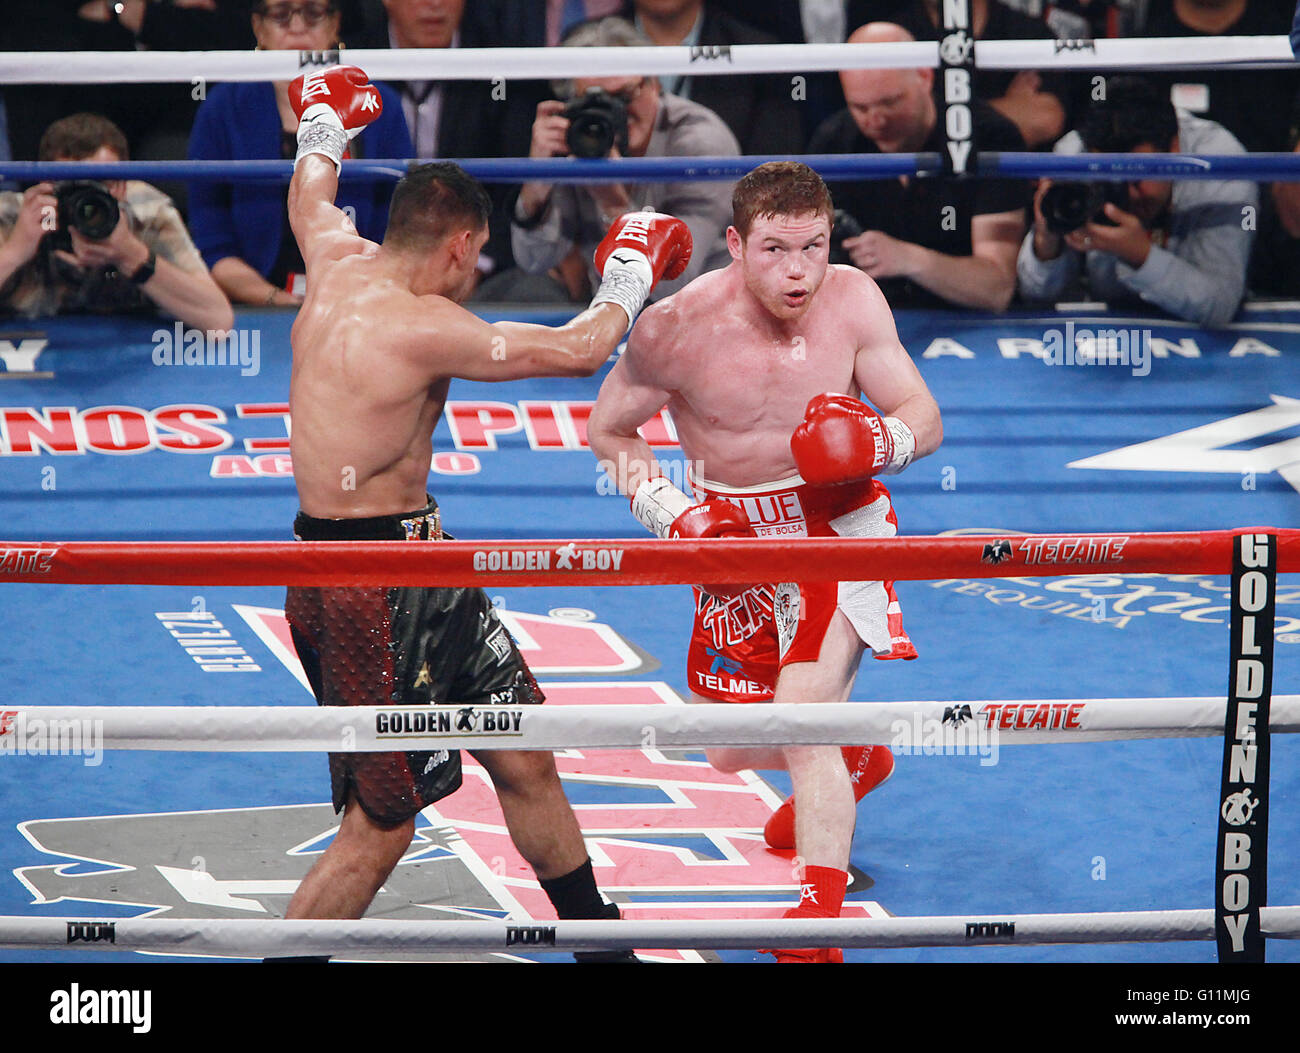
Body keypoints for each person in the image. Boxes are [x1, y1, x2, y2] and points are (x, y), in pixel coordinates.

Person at [277, 64, 692, 961]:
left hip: (420, 560)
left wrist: (324, 121)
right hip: (366, 591)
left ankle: (602, 949)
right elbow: (583, 350)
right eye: (477, 257)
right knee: (380, 828)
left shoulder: (334, 256)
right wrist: (631, 264)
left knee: (524, 748)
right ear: (462, 246)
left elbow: (309, 191)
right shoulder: (424, 324)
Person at [587, 160, 942, 963]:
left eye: (813, 247)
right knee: (730, 745)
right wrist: (675, 516)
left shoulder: (854, 299)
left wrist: (877, 440)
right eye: (776, 249)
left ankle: (817, 921)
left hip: (841, 522)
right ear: (737, 244)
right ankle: (857, 761)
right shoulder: (675, 328)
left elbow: (923, 415)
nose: (797, 271)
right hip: (732, 538)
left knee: (802, 718)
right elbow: (610, 433)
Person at [187, 2, 413, 307]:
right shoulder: (222, 108)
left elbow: (400, 230)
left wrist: (359, 299)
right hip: (254, 308)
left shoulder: (378, 103)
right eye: (280, 15)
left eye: (313, 13)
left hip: (363, 304)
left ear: (335, 25)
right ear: (258, 27)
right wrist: (273, 300)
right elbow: (212, 242)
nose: (297, 26)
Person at [512, 16, 739, 303]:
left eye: (624, 95)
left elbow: (676, 284)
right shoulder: (580, 139)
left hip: (702, 314)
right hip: (610, 313)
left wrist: (614, 205)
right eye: (597, 101)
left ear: (655, 83)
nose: (615, 112)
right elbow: (534, 260)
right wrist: (537, 182)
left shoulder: (700, 143)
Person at [809, 22, 1028, 312]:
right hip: (869, 319)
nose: (875, 120)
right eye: (860, 107)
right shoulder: (834, 143)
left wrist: (910, 260)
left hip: (973, 325)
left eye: (889, 103)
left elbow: (996, 288)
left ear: (924, 77)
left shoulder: (988, 137)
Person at [1017, 75, 1256, 327]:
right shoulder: (1074, 158)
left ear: (1174, 149)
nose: (1128, 194)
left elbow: (1219, 305)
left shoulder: (1220, 166)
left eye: (1139, 177)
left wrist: (1140, 256)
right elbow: (1037, 296)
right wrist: (1048, 241)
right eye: (1110, 178)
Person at [0, 113, 232, 332]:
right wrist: (14, 252)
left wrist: (132, 256)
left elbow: (217, 319)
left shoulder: (148, 214)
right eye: (72, 184)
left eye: (101, 183)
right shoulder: (12, 217)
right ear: (46, 183)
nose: (86, 199)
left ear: (122, 186)